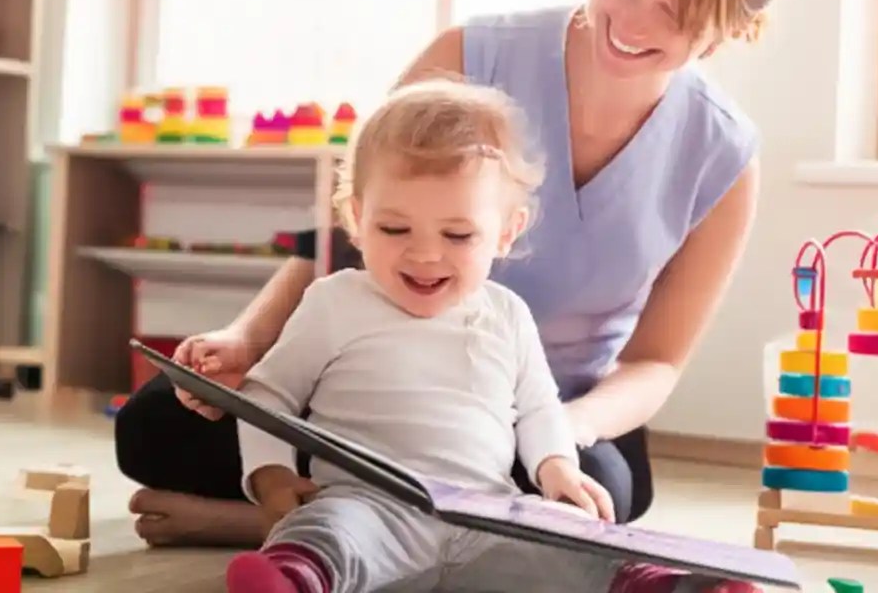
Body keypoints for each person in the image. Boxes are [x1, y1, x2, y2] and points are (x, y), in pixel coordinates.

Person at [117, 0, 790, 547]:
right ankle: (341, 521)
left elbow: (656, 363)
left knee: (598, 491)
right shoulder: (471, 56)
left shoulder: (722, 157)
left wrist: (560, 431)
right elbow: (350, 233)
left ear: (732, 27)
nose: (633, 20)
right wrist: (248, 340)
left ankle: (281, 525)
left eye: (676, 13)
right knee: (153, 423)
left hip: (549, 406)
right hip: (371, 384)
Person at [221, 78, 756, 593]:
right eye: (393, 229)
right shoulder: (336, 302)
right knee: (327, 529)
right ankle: (294, 577)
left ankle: (656, 583)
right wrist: (270, 474)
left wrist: (556, 467)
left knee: (574, 537)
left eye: (457, 234)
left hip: (489, 515)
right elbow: (268, 394)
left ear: (506, 232)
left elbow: (540, 410)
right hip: (371, 508)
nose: (425, 254)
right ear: (357, 219)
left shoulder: (508, 315)